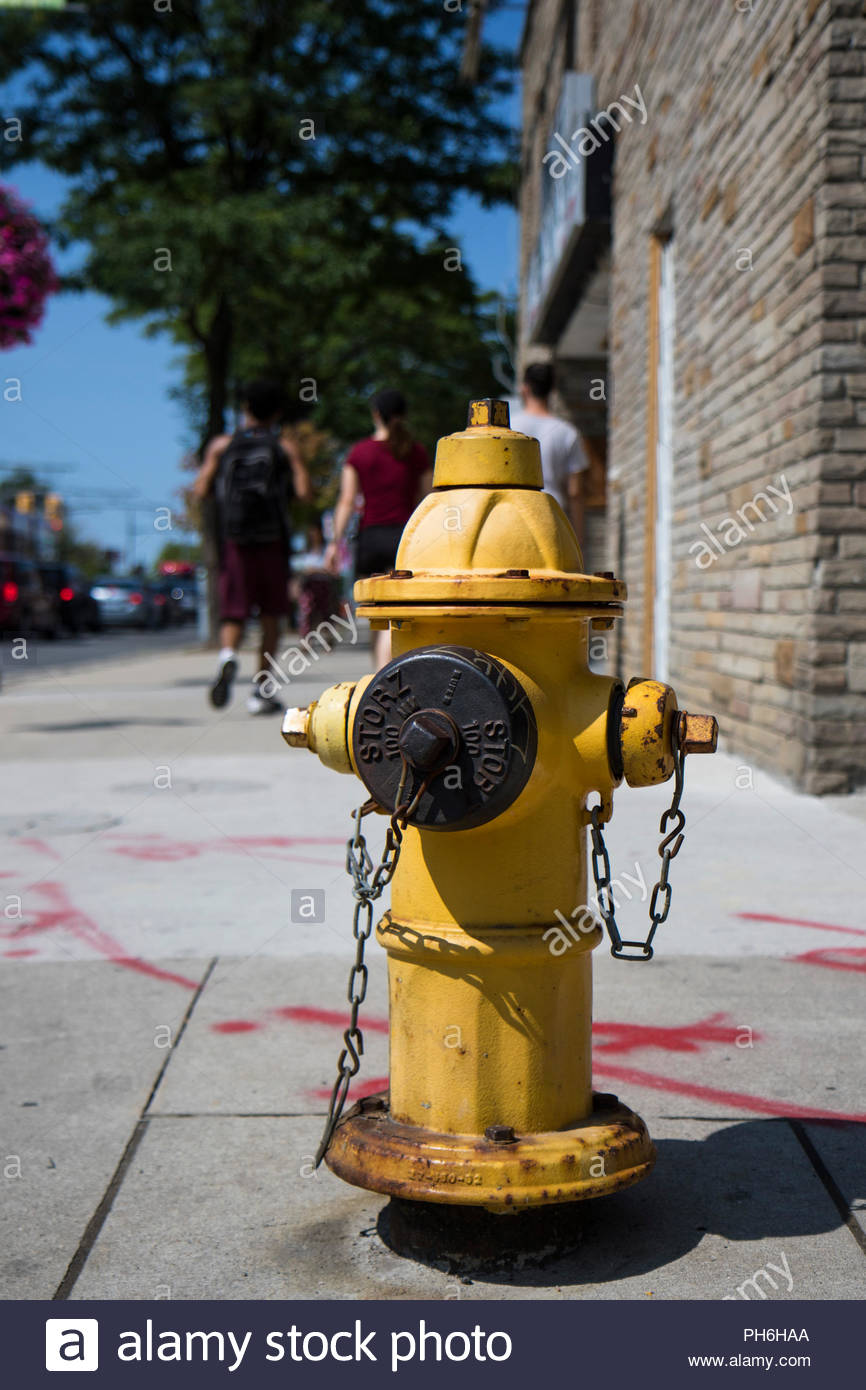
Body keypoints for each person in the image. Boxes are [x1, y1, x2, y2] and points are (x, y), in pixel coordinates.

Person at [193, 379, 311, 714]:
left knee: (234, 610)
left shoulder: (222, 445)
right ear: (277, 412)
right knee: (272, 615)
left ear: (245, 408)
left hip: (236, 541)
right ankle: (261, 690)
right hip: (272, 541)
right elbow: (304, 493)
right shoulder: (283, 447)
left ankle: (228, 655)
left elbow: (200, 489)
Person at [325, 389, 431, 670]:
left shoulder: (359, 452)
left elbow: (347, 500)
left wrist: (334, 543)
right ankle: (388, 673)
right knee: (395, 615)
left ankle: (380, 676)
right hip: (405, 541)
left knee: (377, 615)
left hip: (371, 540)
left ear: (375, 414)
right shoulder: (415, 452)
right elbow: (427, 499)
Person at [509, 362, 588, 546]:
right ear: (552, 390)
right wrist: (578, 538)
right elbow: (575, 492)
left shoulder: (508, 426)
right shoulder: (568, 432)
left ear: (525, 388)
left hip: (513, 512)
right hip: (552, 513)